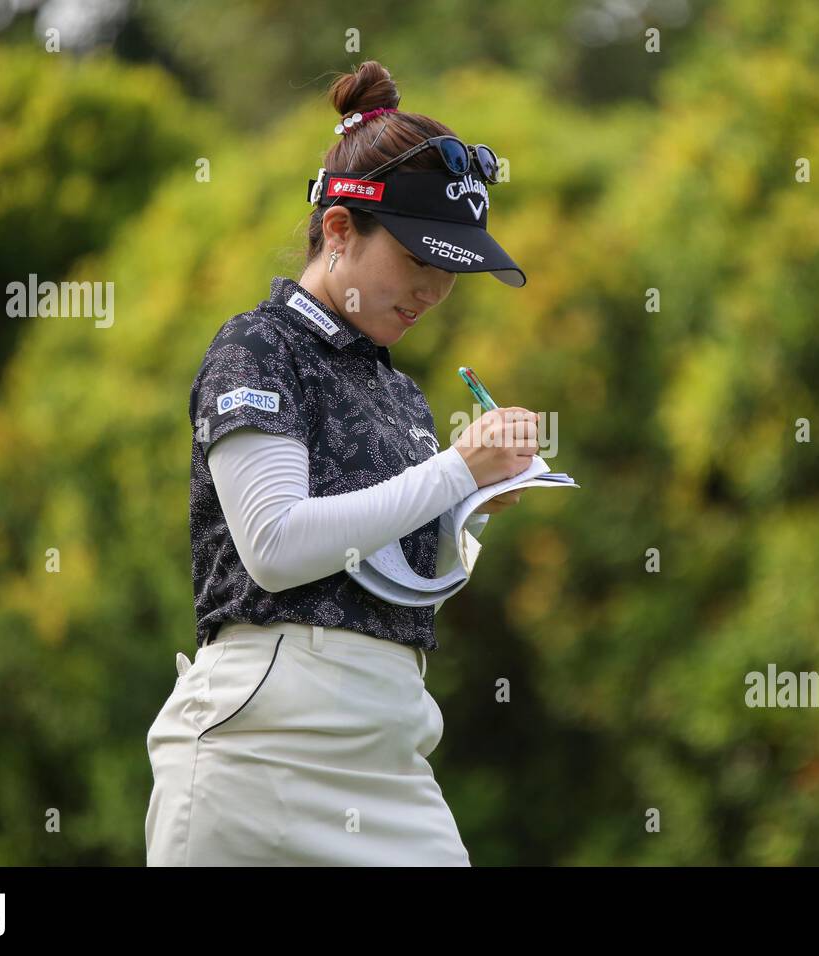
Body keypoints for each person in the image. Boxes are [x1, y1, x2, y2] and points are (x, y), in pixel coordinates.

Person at [144, 60, 538, 866]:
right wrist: (456, 474)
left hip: (388, 751)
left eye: (451, 272)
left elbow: (378, 574)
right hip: (257, 753)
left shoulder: (401, 396)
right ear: (336, 230)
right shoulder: (256, 347)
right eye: (418, 260)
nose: (432, 290)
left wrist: (465, 508)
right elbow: (277, 548)